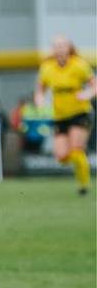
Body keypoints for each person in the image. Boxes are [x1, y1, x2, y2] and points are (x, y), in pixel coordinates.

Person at [34, 35, 95, 196]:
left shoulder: (79, 65)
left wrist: (88, 94)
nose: (59, 49)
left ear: (69, 48)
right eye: (56, 46)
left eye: (62, 46)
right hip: (60, 115)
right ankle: (81, 159)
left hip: (80, 112)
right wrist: (40, 101)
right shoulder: (47, 67)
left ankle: (83, 185)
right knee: (61, 156)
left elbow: (94, 85)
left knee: (75, 149)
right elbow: (40, 90)